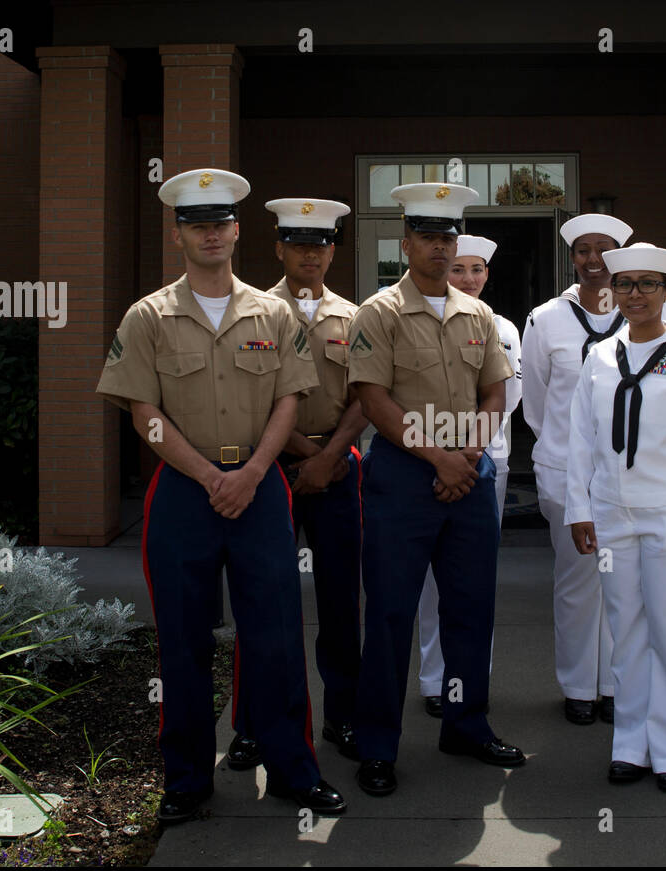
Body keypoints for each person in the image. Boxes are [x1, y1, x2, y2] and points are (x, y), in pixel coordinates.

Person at [96, 168, 346, 822]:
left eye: (221, 222)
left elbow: (290, 397)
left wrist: (255, 471)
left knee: (277, 637)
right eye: (196, 223)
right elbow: (143, 413)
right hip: (185, 492)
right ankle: (186, 781)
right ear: (178, 233)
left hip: (260, 489)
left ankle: (294, 770)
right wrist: (210, 477)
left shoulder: (273, 312)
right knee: (183, 641)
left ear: (237, 231)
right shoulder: (148, 316)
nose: (210, 233)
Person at [348, 182, 523, 797]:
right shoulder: (379, 313)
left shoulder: (479, 315)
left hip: (469, 476)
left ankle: (466, 725)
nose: (440, 248)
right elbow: (373, 398)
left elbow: (495, 389)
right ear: (406, 243)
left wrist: (468, 454)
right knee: (393, 615)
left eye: (448, 237)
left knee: (471, 610)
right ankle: (377, 746)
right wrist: (439, 459)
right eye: (428, 237)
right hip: (403, 477)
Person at [566, 243, 666, 792]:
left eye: (647, 284)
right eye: (626, 284)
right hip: (613, 516)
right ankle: (631, 743)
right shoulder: (600, 357)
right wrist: (580, 508)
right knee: (626, 631)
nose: (634, 295)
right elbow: (581, 440)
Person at [215, 198, 367, 770]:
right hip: (267, 469)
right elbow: (242, 399)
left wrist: (329, 457)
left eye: (321, 244)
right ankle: (253, 725)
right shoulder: (247, 313)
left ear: (332, 250)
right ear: (278, 248)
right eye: (299, 244)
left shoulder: (356, 319)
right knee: (262, 602)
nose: (311, 253)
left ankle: (342, 716)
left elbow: (366, 397)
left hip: (337, 466)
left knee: (339, 601)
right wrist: (305, 454)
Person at [521, 213, 633, 726]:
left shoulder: (641, 318)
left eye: (603, 249)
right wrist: (568, 451)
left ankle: (614, 684)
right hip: (566, 469)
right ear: (573, 259)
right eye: (583, 251)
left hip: (627, 473)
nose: (593, 260)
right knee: (576, 577)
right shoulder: (546, 320)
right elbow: (537, 405)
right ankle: (577, 688)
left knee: (623, 579)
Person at [415, 234, 522, 717]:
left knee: (475, 576)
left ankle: (472, 677)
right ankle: (434, 679)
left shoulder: (503, 328)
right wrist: (446, 457)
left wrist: (467, 453)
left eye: (477, 270)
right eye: (459, 269)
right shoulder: (417, 317)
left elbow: (507, 397)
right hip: (429, 457)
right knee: (431, 580)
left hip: (484, 461)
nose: (468, 278)